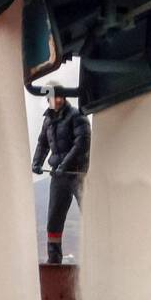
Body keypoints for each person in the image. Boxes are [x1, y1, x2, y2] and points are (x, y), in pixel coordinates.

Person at [31, 88, 91, 265]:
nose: (56, 101)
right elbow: (42, 143)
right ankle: (54, 258)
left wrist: (65, 165)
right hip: (59, 175)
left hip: (78, 173)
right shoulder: (48, 120)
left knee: (89, 212)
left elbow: (82, 142)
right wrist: (37, 162)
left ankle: (98, 252)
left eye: (59, 97)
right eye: (52, 98)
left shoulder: (77, 115)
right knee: (54, 218)